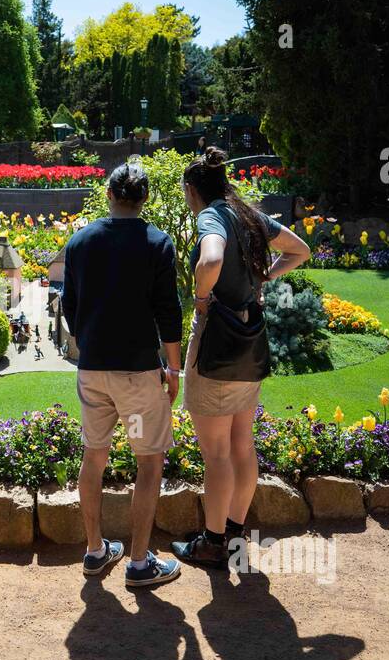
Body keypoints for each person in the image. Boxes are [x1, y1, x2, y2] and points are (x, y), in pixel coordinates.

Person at [173, 148, 310, 567]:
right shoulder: (249, 215)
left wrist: (200, 298)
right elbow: (300, 249)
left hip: (218, 341)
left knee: (215, 453)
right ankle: (233, 535)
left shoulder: (212, 216)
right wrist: (263, 276)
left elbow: (211, 258)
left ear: (192, 190)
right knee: (241, 445)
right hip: (251, 341)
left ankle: (213, 543)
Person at [61, 161, 183, 588]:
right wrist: (174, 368)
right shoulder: (157, 243)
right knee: (148, 463)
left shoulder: (80, 242)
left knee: (94, 455)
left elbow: (69, 310)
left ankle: (95, 551)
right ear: (144, 199)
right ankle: (138, 563)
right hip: (137, 375)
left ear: (109, 195)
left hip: (93, 371)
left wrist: (91, 338)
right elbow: (169, 312)